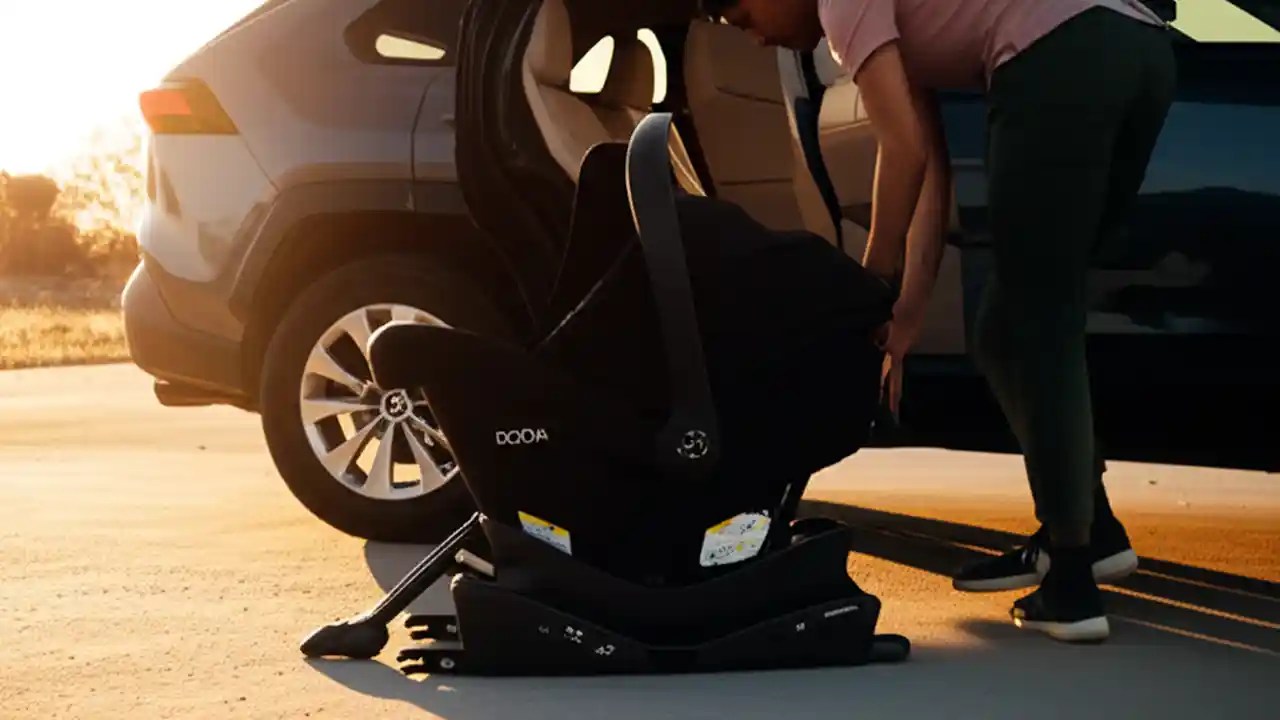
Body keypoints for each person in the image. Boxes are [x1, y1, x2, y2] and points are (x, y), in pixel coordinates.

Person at [701, 0, 1177, 642]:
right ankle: (1093, 532)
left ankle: (1072, 582)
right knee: (1017, 323)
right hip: (1140, 50)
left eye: (744, 18)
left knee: (1031, 322)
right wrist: (902, 318)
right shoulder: (893, 24)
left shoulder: (840, 7)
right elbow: (928, 168)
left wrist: (868, 287)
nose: (756, 39)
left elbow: (899, 152)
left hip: (1064, 54)